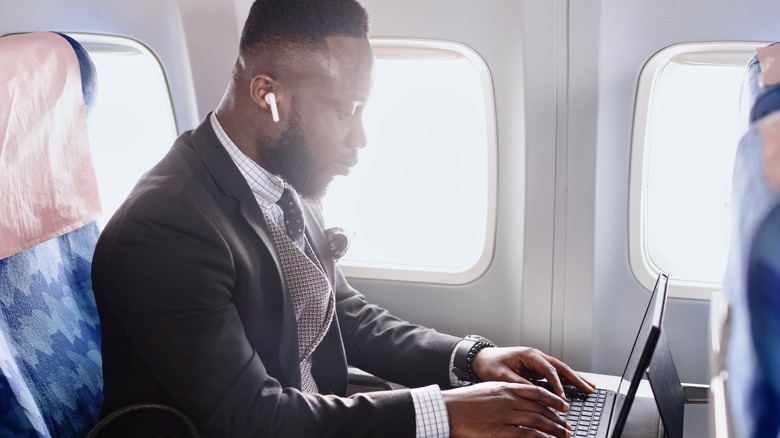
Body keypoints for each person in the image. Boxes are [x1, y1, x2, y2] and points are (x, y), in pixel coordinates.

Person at [91, 0, 595, 436]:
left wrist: (469, 359)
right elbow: (251, 420)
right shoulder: (164, 230)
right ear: (268, 95)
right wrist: (443, 412)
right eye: (345, 111)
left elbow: (343, 316)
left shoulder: (284, 177)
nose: (360, 139)